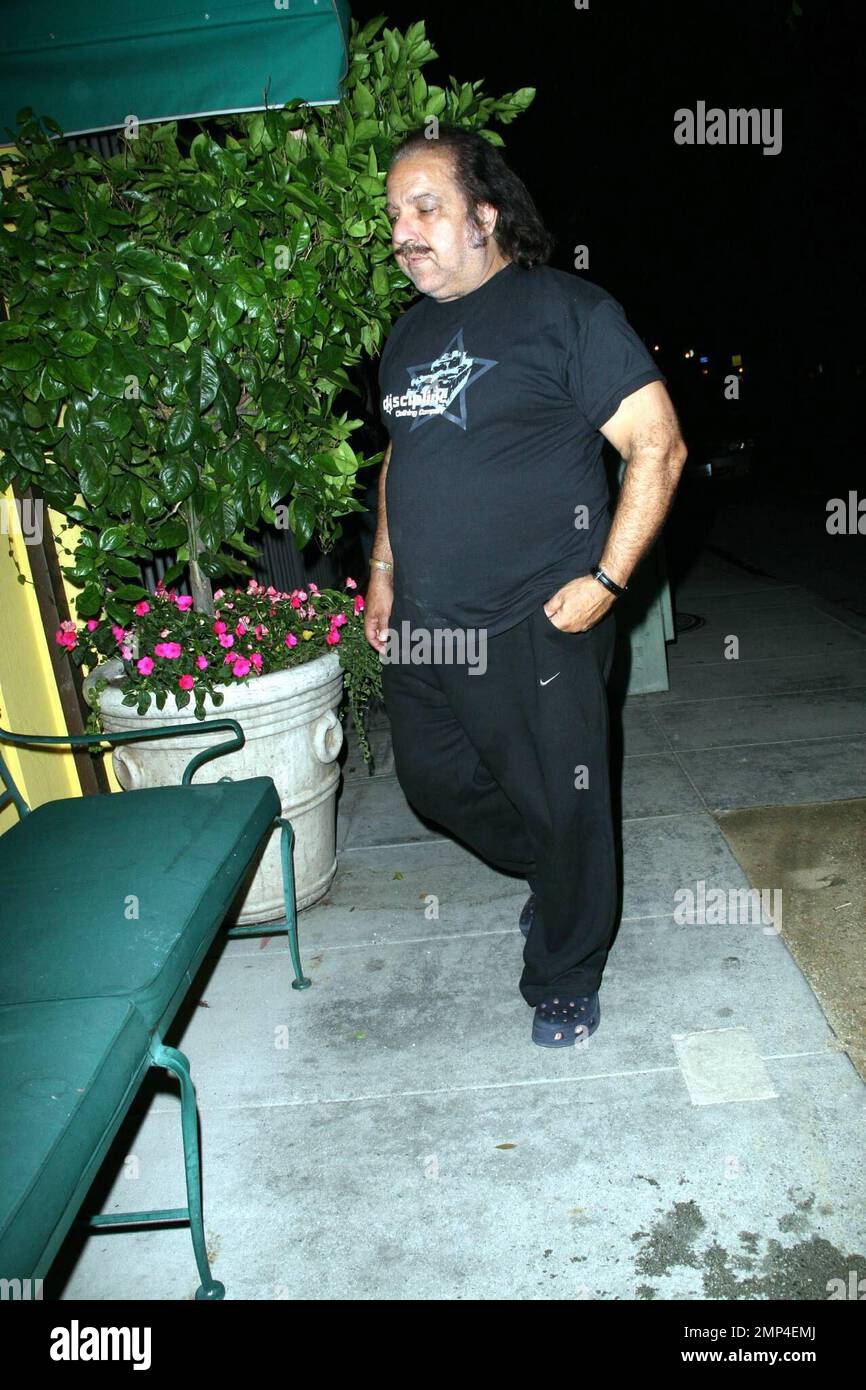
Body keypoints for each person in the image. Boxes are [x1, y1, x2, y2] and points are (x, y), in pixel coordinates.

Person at [363, 125, 687, 1047]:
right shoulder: (407, 337)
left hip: (542, 614)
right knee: (436, 784)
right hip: (429, 619)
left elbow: (656, 447)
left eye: (425, 208)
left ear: (485, 215)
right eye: (395, 216)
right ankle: (559, 871)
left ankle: (565, 967)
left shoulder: (565, 312)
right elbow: (401, 458)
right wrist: (384, 570)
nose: (405, 231)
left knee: (568, 799)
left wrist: (608, 580)